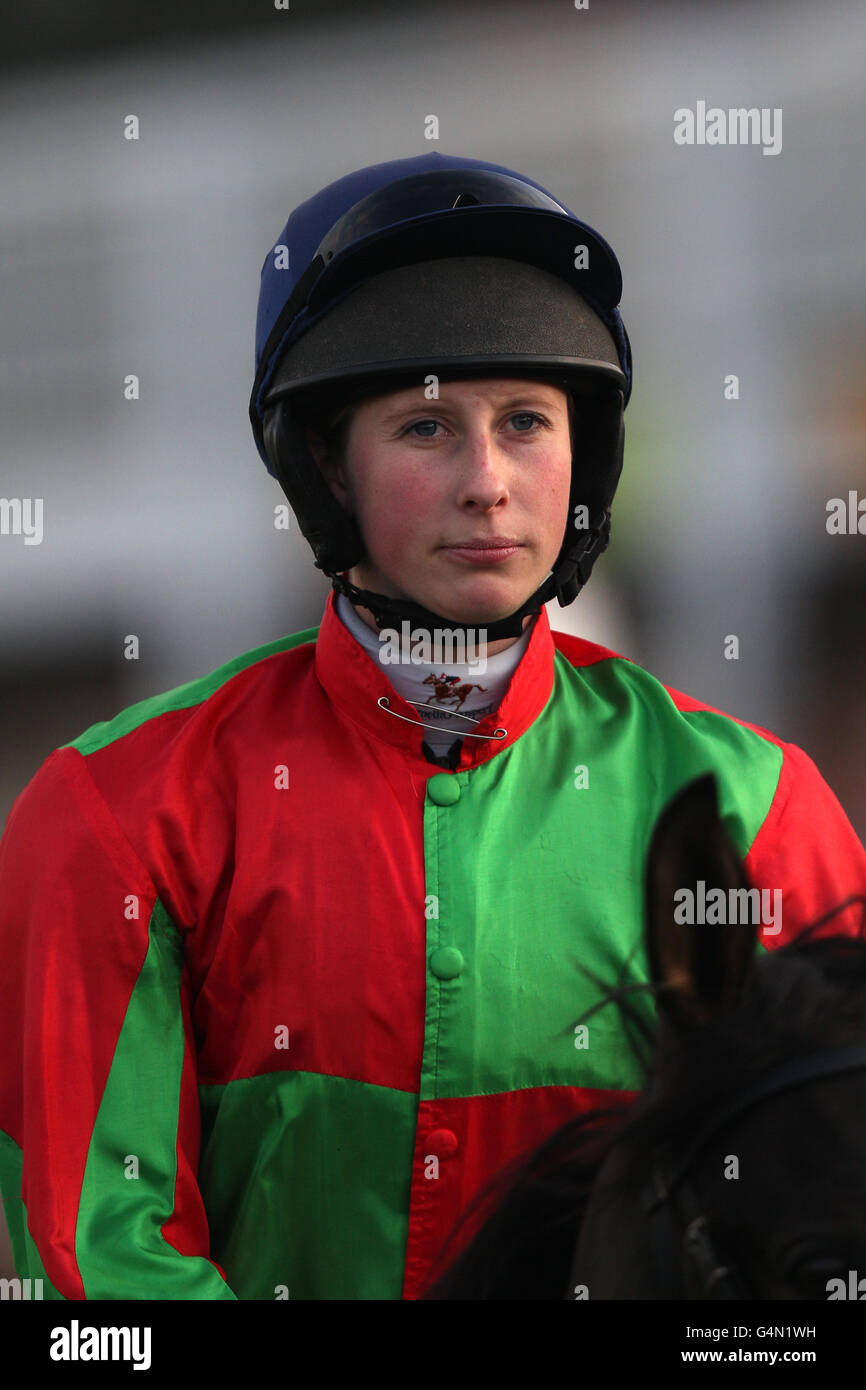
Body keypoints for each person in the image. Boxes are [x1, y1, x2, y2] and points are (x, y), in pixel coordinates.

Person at [0, 151, 863, 1302]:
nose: (487, 482)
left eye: (524, 420)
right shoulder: (116, 813)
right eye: (422, 428)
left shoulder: (758, 809)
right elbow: (90, 1268)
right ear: (324, 463)